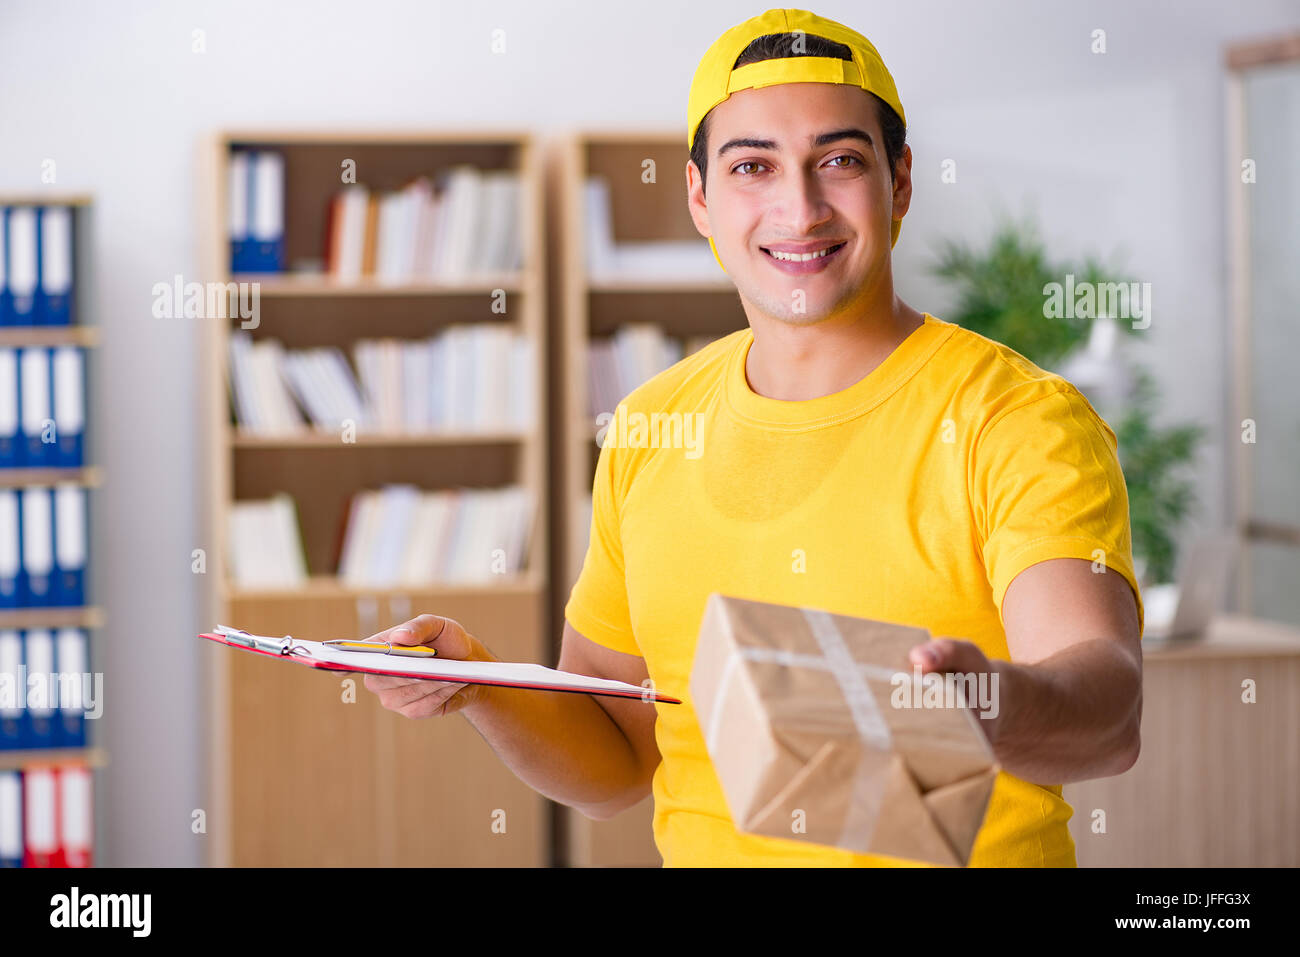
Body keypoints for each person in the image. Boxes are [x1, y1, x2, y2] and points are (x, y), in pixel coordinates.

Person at [361, 8, 1144, 867]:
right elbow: (620, 753)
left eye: (839, 161)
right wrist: (475, 681)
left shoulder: (1018, 419)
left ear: (901, 183)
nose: (799, 208)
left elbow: (1105, 713)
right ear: (701, 198)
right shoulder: (650, 429)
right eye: (753, 167)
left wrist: (987, 703)